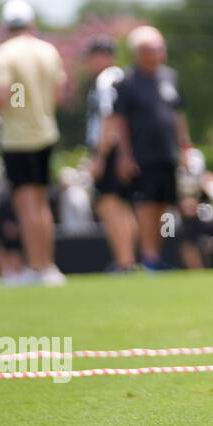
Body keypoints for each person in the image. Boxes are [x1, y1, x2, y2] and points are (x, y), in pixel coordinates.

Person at [0, 0, 67, 286]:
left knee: (25, 202)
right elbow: (57, 94)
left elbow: (2, 95)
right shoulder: (48, 50)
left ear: (6, 26)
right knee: (41, 202)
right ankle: (47, 266)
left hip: (18, 138)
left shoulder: (5, 54)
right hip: (46, 132)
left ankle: (35, 266)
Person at [110, 25, 193, 270]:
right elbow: (120, 121)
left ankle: (156, 255)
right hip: (142, 155)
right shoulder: (127, 82)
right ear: (138, 52)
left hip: (167, 153)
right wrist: (124, 155)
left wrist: (185, 146)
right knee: (146, 206)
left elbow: (177, 114)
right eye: (151, 49)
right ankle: (148, 257)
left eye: (160, 48)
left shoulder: (170, 77)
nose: (157, 53)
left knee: (163, 206)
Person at [84, 36, 137, 271]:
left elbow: (110, 119)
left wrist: (99, 157)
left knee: (109, 204)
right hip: (121, 148)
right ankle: (128, 259)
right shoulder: (122, 76)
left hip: (111, 148)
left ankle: (124, 260)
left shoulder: (106, 79)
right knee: (121, 205)